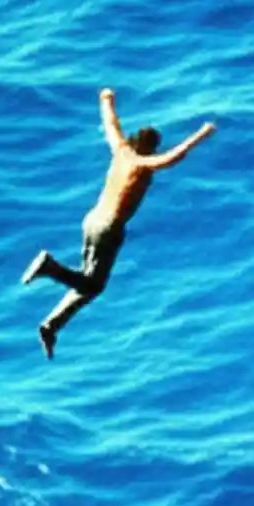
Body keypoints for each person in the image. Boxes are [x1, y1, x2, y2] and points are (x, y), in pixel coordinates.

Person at [21, 87, 216, 359]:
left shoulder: (121, 151)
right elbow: (174, 157)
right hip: (109, 226)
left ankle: (51, 326)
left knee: (88, 283)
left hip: (92, 220)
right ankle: (49, 267)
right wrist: (201, 135)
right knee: (94, 285)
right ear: (149, 147)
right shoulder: (142, 164)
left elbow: (110, 124)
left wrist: (106, 100)